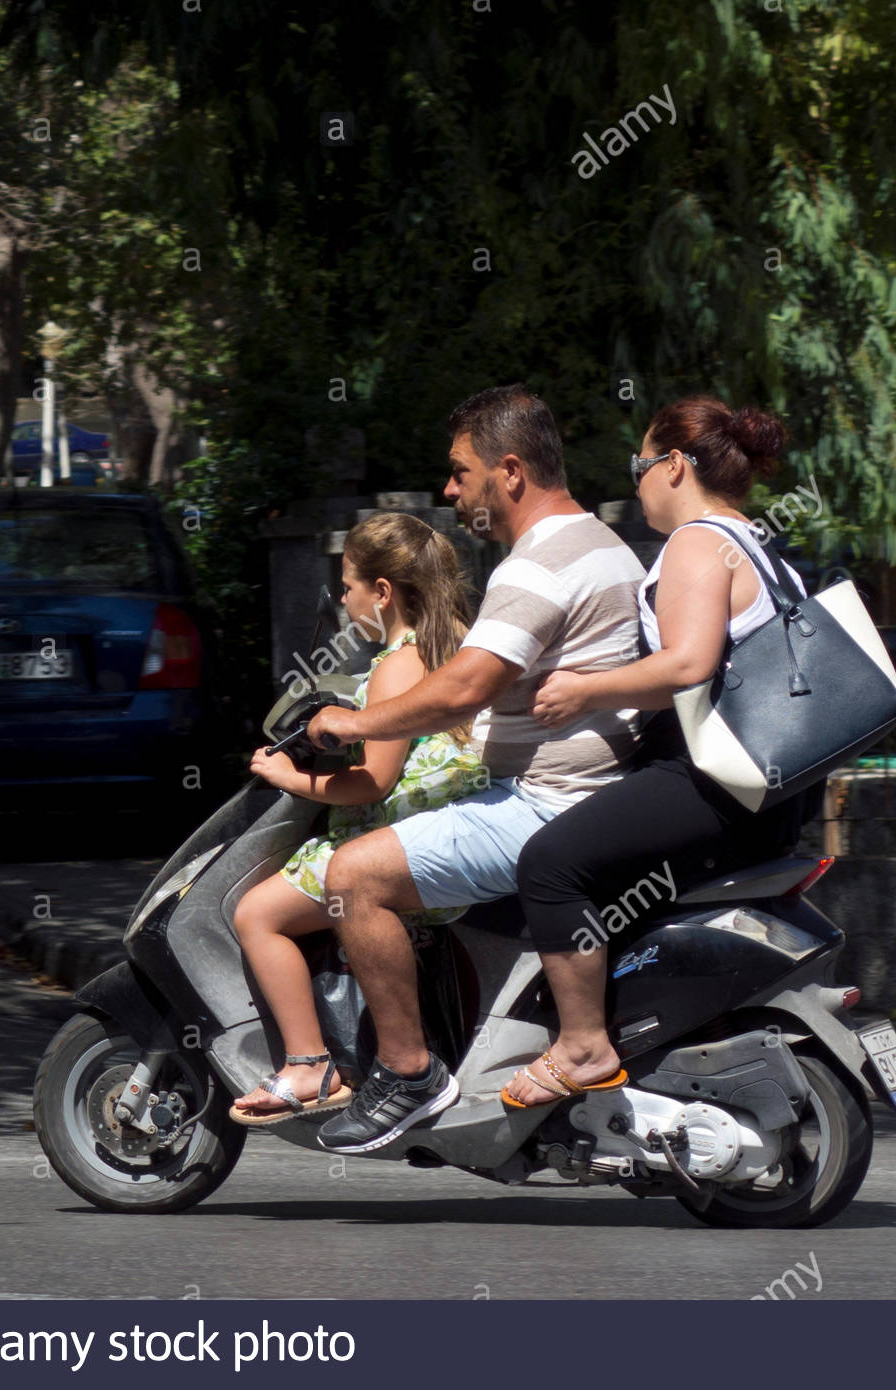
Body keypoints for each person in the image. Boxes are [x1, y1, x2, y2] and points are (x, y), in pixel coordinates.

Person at [304, 383, 645, 1154]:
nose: (452, 491)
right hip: (582, 796)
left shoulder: (538, 565)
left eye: (461, 472)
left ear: (511, 471)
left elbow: (465, 684)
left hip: (542, 802)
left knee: (354, 876)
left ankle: (407, 1072)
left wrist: (351, 722)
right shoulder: (601, 545)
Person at [501, 396, 820, 1108]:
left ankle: (583, 1047)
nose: (637, 481)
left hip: (710, 779)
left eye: (640, 465)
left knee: (551, 866)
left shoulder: (697, 544)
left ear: (674, 466)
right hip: (771, 791)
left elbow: (688, 665)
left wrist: (586, 690)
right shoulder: (762, 548)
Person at [229, 512, 489, 1125]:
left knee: (256, 915)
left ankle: (309, 1063)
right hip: (437, 834)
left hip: (390, 843)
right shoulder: (451, 639)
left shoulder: (399, 663)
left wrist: (288, 775)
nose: (343, 601)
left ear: (383, 591)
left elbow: (373, 780)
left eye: (347, 587)